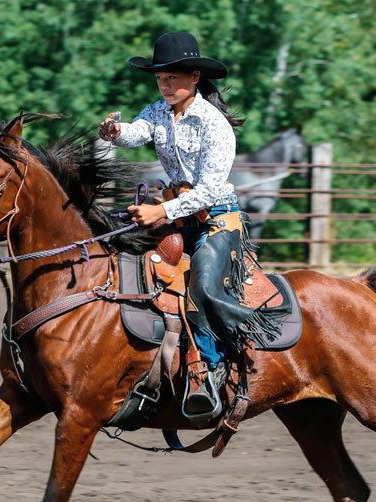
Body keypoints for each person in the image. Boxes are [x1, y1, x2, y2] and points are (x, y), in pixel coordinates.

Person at [99, 32, 278, 426]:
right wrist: (114, 132)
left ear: (195, 76)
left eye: (172, 77)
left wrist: (162, 209)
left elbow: (212, 190)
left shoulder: (216, 126)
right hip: (177, 214)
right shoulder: (158, 111)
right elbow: (136, 132)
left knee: (203, 287)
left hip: (217, 219)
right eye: (159, 77)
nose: (164, 84)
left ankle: (210, 373)